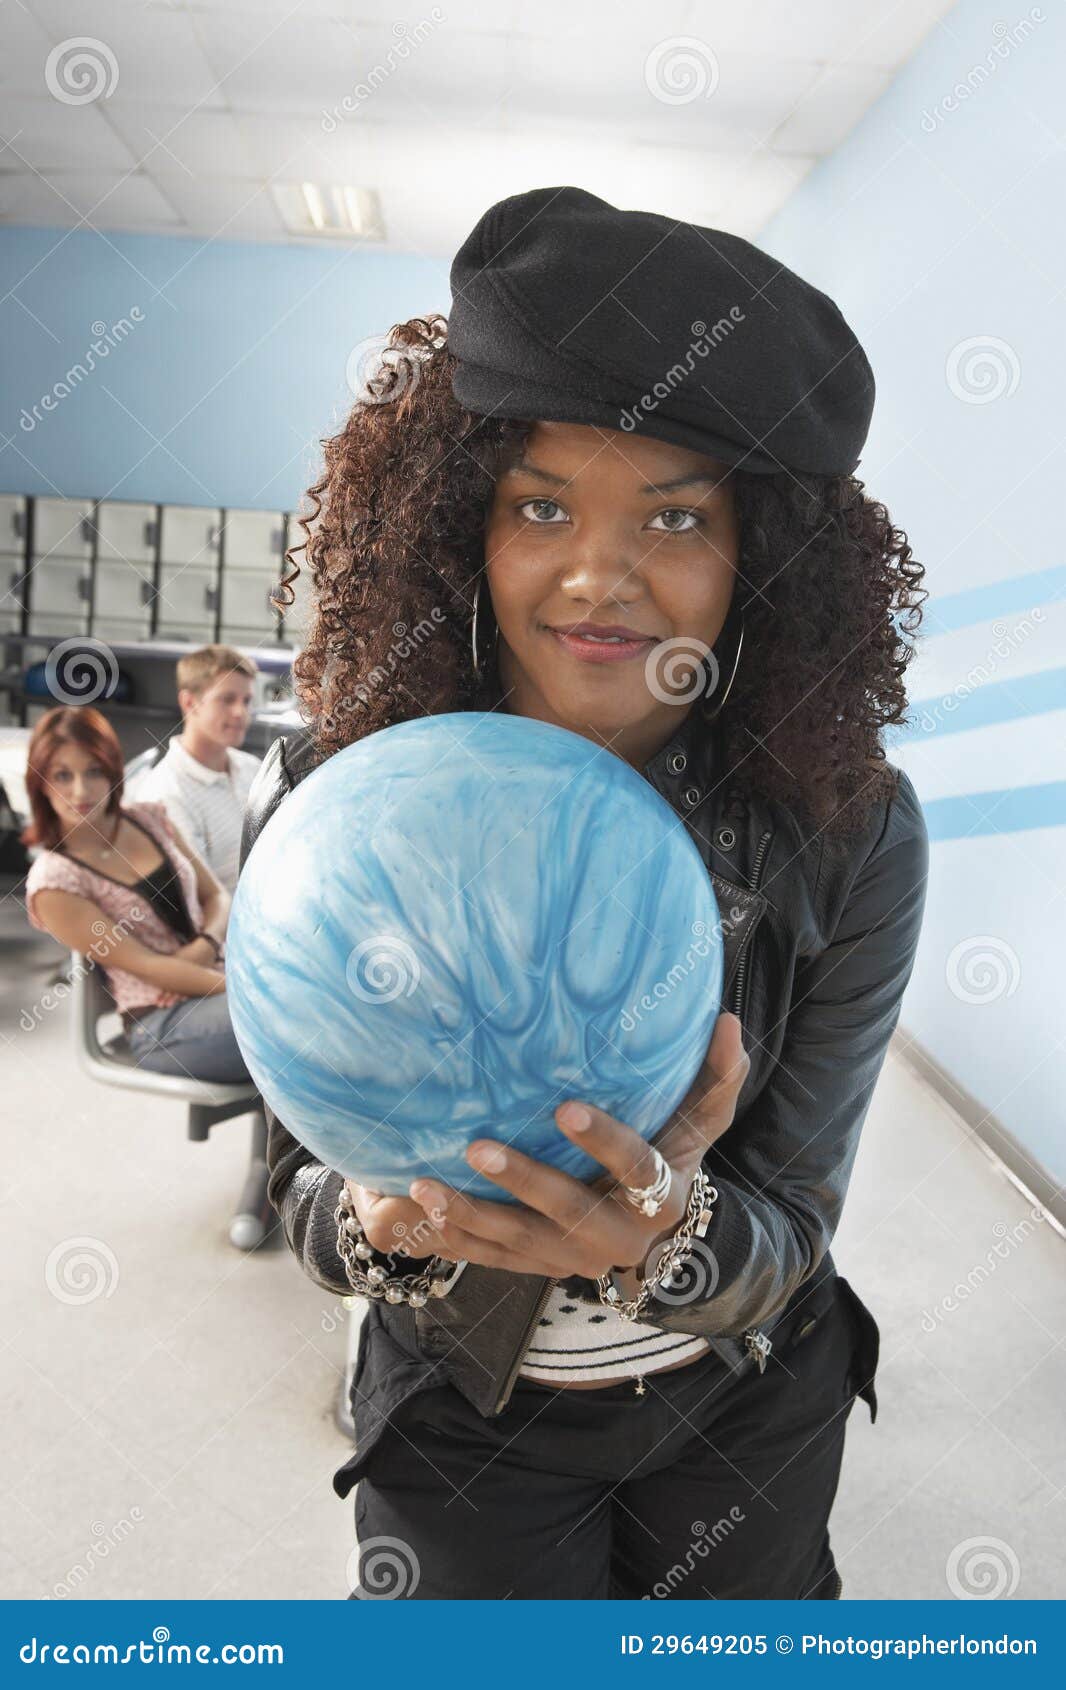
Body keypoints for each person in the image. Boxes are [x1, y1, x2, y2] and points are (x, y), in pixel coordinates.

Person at [240, 186, 930, 1600]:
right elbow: (298, 1183)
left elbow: (793, 1228)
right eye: (537, 504)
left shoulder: (849, 830)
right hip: (463, 1416)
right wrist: (379, 1226)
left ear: (761, 555)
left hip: (742, 1410)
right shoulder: (335, 797)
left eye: (675, 516)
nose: (597, 574)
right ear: (458, 524)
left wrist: (669, 1240)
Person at [23, 704, 251, 1085]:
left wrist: (207, 944)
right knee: (294, 1019)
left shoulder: (148, 819)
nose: (80, 791)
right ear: (41, 783)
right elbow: (150, 967)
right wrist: (255, 989)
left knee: (324, 1009)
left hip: (219, 975)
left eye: (93, 772)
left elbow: (218, 897)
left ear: (112, 771)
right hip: (163, 1022)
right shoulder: (54, 883)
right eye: (63, 776)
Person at [126, 645, 261, 894]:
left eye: (247, 701)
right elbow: (200, 900)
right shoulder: (166, 794)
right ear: (189, 703)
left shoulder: (252, 768)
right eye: (227, 699)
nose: (241, 712)